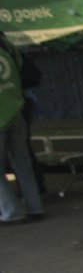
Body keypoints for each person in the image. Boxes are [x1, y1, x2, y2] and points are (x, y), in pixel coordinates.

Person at [0, 31, 45, 225]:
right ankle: (35, 208)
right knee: (23, 164)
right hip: (16, 110)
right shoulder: (6, 46)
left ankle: (11, 213)